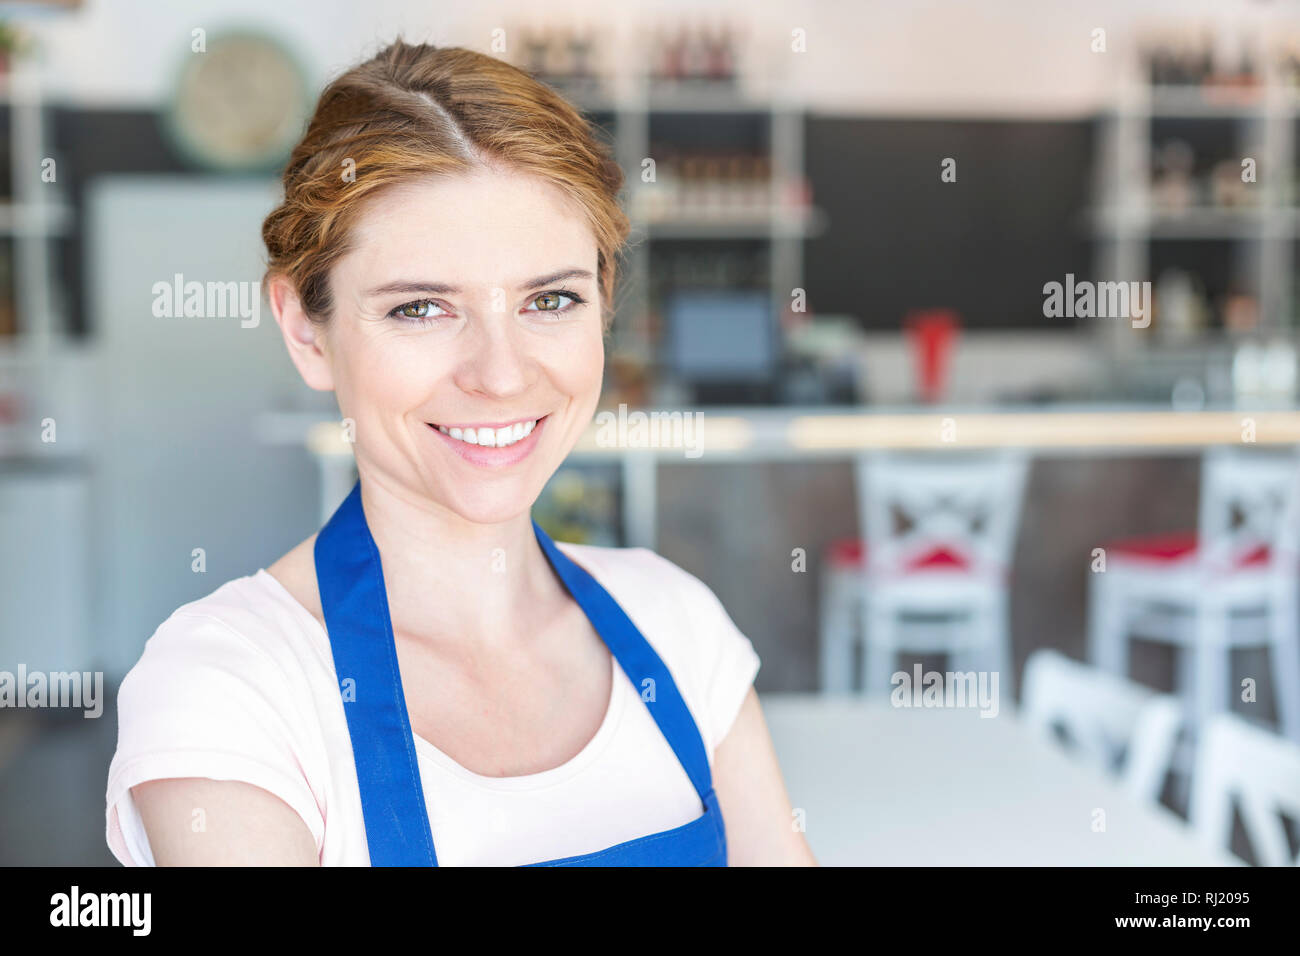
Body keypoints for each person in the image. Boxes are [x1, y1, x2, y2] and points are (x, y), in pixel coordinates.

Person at [105, 39, 815, 866]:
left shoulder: (678, 625)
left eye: (550, 299)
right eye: (420, 309)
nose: (502, 375)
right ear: (307, 329)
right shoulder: (233, 686)